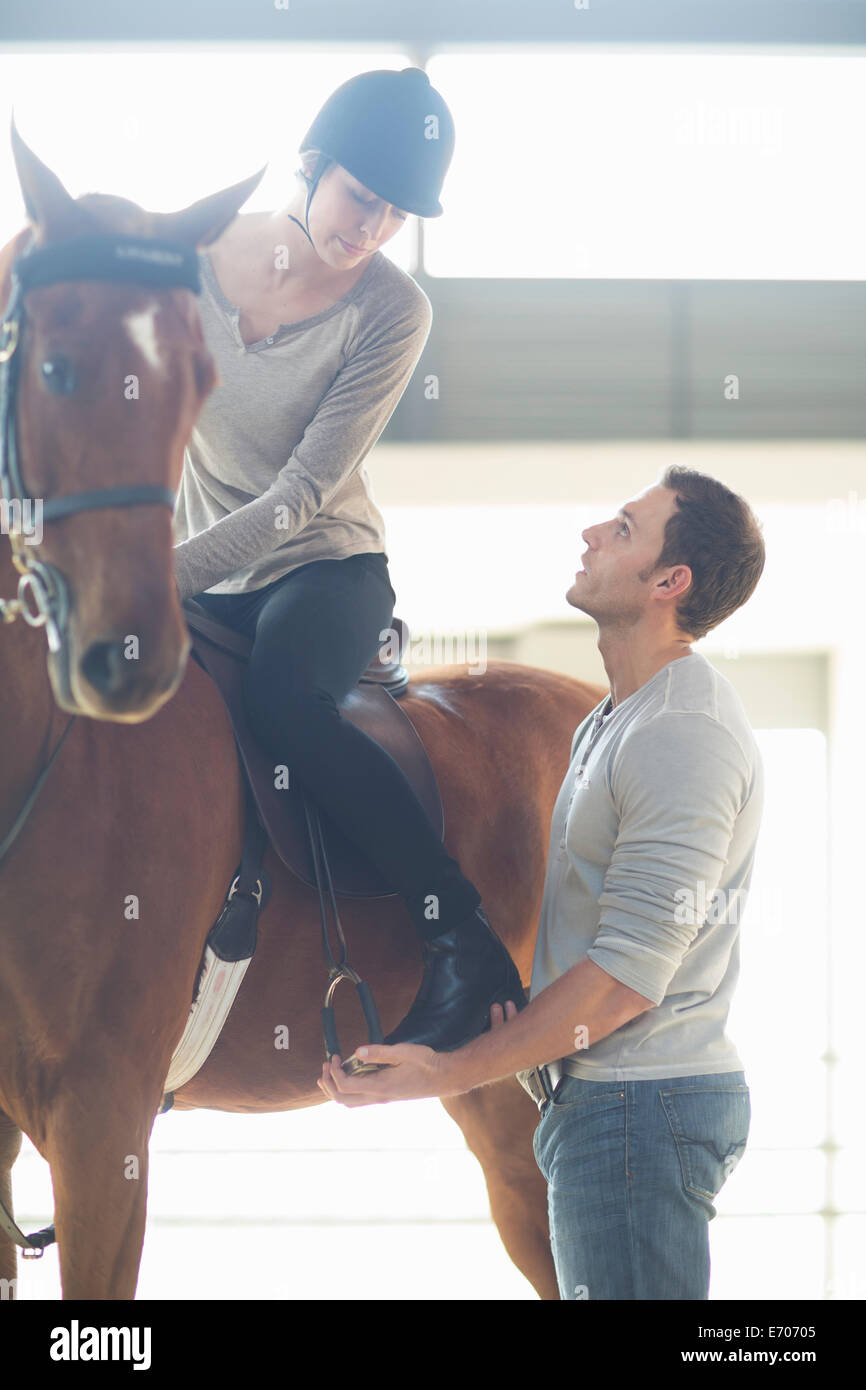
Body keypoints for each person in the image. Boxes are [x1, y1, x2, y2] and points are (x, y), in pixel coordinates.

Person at [319, 467, 767, 1302]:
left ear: (671, 583)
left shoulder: (684, 734)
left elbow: (628, 982)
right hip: (604, 1108)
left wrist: (444, 1075)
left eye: (624, 530)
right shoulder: (619, 716)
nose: (592, 535)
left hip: (640, 1112)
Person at [172, 67, 525, 1055]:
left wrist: (162, 573)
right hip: (201, 567)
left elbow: (298, 496)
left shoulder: (392, 311)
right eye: (361, 195)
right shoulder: (195, 259)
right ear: (313, 165)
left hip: (321, 565)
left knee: (287, 705)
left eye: (395, 213)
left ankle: (457, 936)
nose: (371, 226)